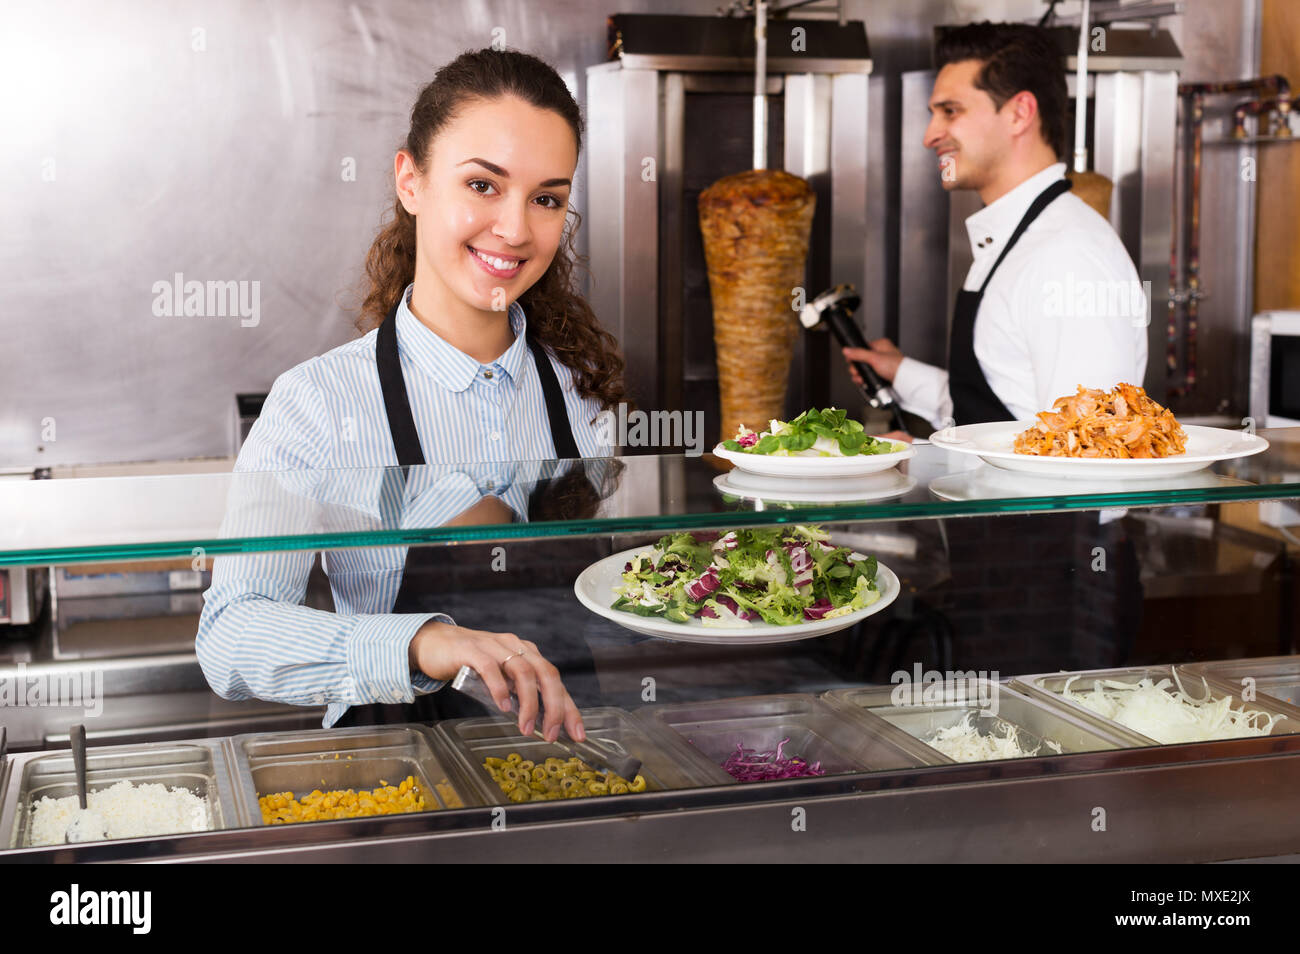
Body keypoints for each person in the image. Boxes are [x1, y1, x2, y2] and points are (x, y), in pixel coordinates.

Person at [196, 49, 629, 742]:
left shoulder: (581, 392)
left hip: (573, 767)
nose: (516, 229)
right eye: (483, 185)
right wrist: (423, 643)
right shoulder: (317, 402)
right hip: (403, 779)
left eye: (546, 198)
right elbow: (230, 638)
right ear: (411, 181)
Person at [844, 22, 1147, 430]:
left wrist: (926, 463)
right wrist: (901, 373)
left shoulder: (1067, 257)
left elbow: (1087, 461)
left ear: (1019, 113)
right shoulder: (1017, 238)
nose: (930, 135)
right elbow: (1004, 412)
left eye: (950, 111)